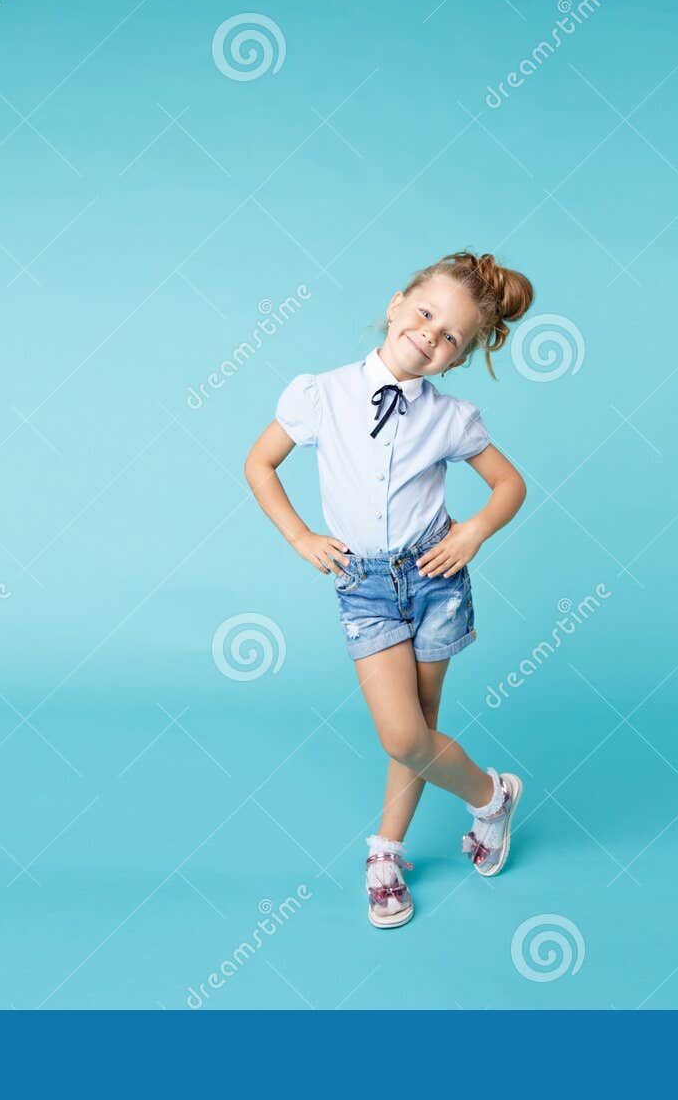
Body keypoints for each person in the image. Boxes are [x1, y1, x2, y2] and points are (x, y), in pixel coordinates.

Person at [244, 250, 534, 928]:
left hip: (434, 578)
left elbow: (510, 485)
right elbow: (260, 463)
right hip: (365, 583)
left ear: (456, 358)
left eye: (450, 337)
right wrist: (301, 537)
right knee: (404, 735)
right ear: (399, 300)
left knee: (420, 729)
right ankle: (492, 796)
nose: (430, 335)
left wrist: (474, 533)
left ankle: (386, 850)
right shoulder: (322, 394)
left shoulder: (451, 417)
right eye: (426, 314)